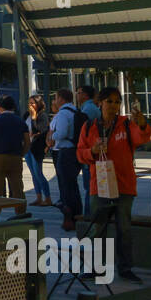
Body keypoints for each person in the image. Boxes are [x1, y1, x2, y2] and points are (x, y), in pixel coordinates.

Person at [75, 86, 150, 284]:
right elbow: (80, 153)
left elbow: (141, 138)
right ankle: (95, 268)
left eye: (117, 102)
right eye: (110, 101)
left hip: (123, 185)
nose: (114, 106)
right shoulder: (89, 126)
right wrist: (92, 151)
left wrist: (142, 125)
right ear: (100, 103)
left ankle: (125, 269)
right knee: (97, 229)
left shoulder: (126, 124)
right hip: (99, 185)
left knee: (124, 229)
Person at [0, 95, 29, 210]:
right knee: (18, 189)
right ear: (13, 107)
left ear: (0, 107)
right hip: (15, 157)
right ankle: (21, 216)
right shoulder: (20, 121)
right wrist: (22, 153)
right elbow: (27, 141)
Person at [50, 89, 84, 231]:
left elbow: (62, 133)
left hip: (66, 152)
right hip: (75, 151)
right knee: (72, 186)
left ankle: (69, 217)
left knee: (66, 187)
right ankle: (76, 215)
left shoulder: (63, 113)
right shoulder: (75, 111)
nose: (55, 101)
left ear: (62, 99)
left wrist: (52, 135)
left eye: (56, 97)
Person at [25, 96, 53, 206]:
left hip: (37, 148)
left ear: (39, 104)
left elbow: (39, 130)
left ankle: (48, 198)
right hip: (28, 147)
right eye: (29, 103)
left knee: (38, 173)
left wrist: (33, 118)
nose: (30, 105)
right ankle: (38, 197)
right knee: (33, 174)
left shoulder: (42, 115)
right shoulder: (26, 115)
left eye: (33, 103)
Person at [77, 85, 101, 203]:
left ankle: (89, 214)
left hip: (91, 152)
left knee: (90, 187)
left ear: (85, 95)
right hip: (90, 151)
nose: (77, 95)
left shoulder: (88, 110)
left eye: (79, 92)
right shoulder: (88, 108)